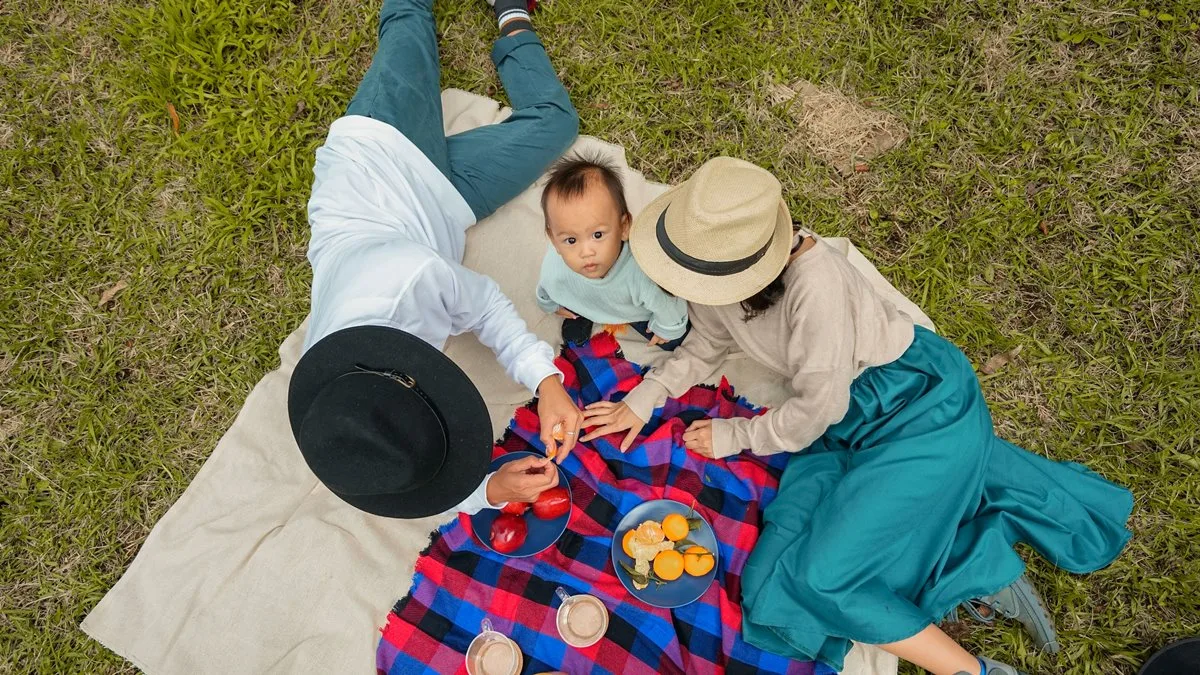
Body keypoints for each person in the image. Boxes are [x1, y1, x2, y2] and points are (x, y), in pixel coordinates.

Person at [581, 157, 1133, 675]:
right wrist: (645, 397)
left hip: (916, 408)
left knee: (822, 578)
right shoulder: (717, 267)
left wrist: (737, 434)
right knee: (772, 579)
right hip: (847, 426)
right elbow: (707, 342)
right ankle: (970, 559)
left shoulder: (815, 287)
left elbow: (817, 408)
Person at [287, 0, 585, 520]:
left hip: (379, 152)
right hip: (442, 205)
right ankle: (511, 12)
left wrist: (546, 380)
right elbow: (402, 472)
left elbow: (486, 306)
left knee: (410, 24)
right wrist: (489, 492)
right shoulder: (339, 418)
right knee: (556, 124)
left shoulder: (410, 280)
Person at [535, 155, 689, 349]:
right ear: (553, 240)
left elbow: (669, 305)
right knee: (572, 303)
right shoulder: (555, 268)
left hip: (632, 311)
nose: (586, 252)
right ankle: (584, 316)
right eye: (571, 240)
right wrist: (550, 304)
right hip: (582, 300)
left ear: (624, 227)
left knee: (675, 341)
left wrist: (668, 329)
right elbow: (546, 288)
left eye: (598, 235)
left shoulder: (643, 273)